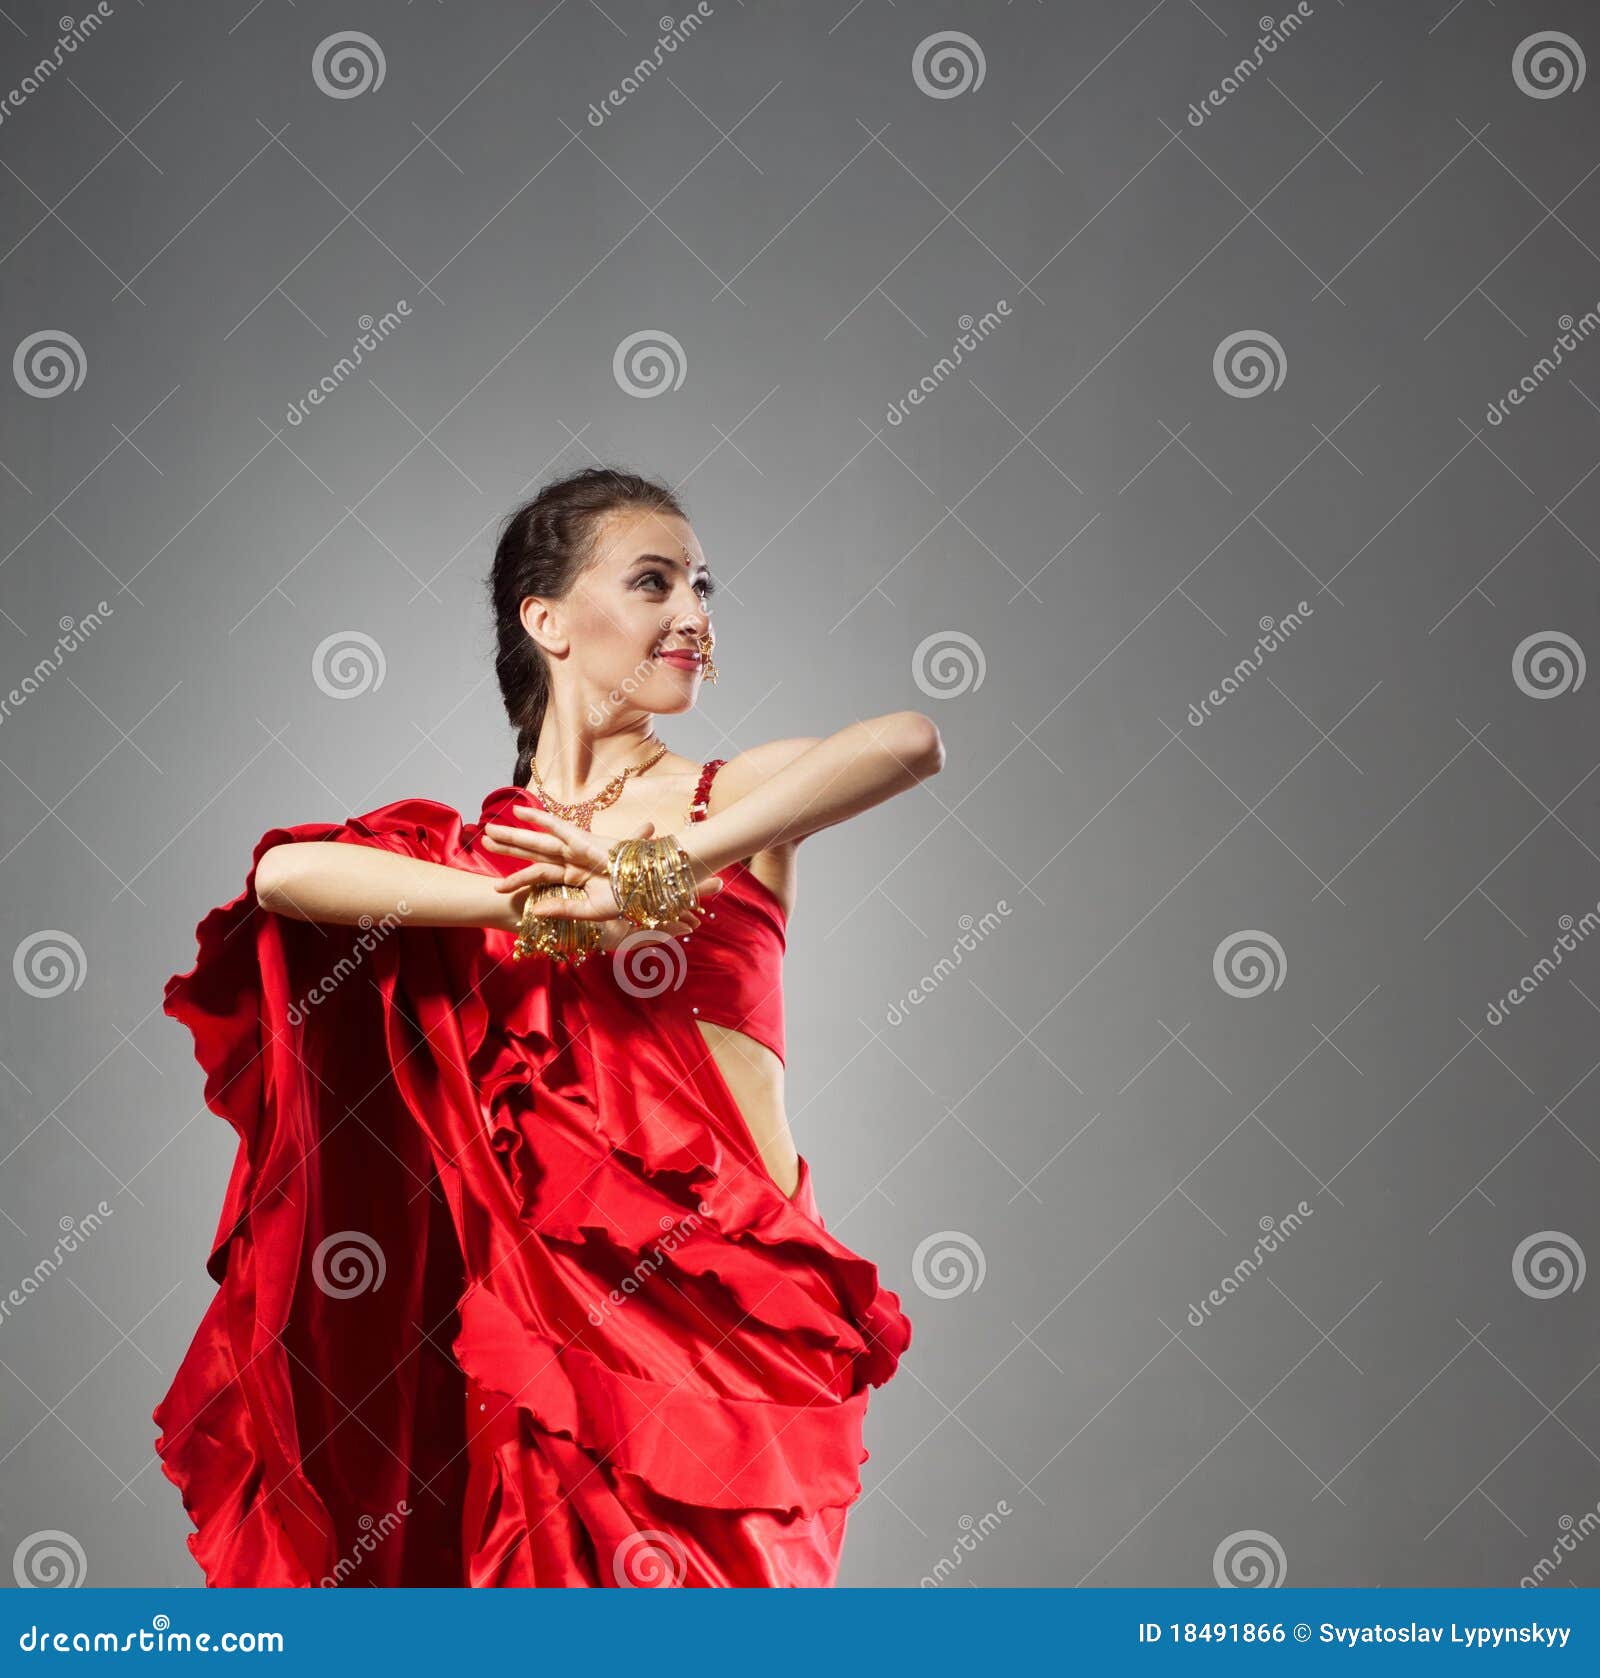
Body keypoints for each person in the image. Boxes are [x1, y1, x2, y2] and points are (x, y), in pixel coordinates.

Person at [151, 465, 945, 1588]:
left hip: (732, 1307)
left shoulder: (733, 799)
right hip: (551, 1324)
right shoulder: (479, 859)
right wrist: (511, 901)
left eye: (702, 587)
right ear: (547, 619)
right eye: (654, 581)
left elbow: (908, 740)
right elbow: (287, 875)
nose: (693, 616)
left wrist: (652, 872)